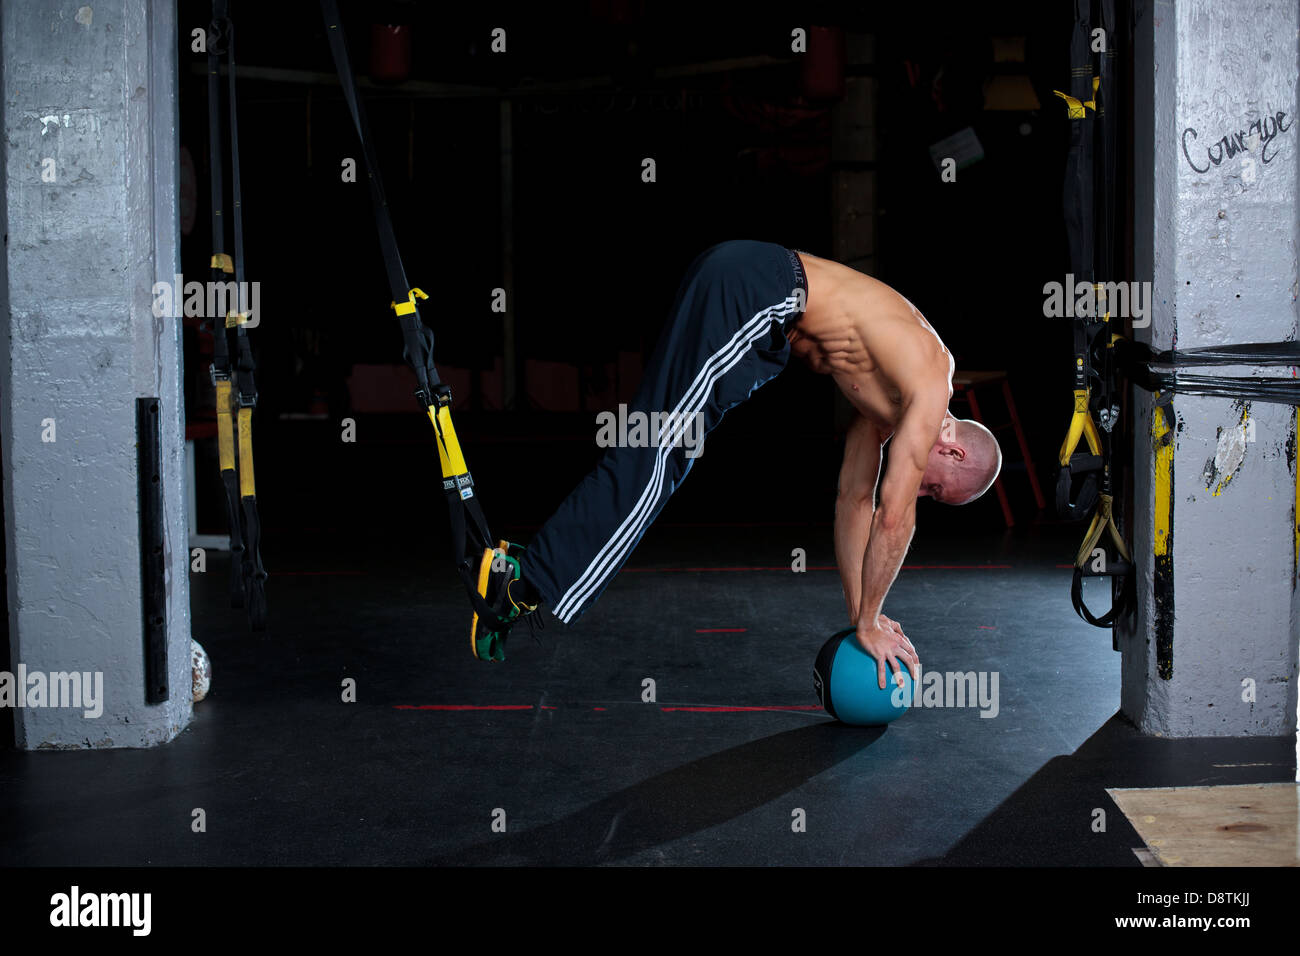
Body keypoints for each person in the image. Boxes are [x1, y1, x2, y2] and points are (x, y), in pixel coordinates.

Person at [472, 240, 1002, 689]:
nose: (923, 493)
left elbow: (854, 499)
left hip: (757, 301)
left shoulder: (889, 409)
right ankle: (523, 580)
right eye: (936, 490)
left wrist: (860, 612)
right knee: (657, 452)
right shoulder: (933, 383)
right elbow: (894, 513)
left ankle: (528, 576)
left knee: (668, 450)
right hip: (762, 293)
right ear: (952, 451)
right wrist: (868, 623)